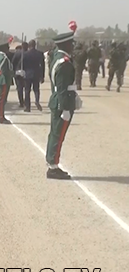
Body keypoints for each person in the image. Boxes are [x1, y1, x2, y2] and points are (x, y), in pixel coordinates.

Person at [45, 24, 81, 180]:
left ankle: (51, 162)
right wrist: (65, 107)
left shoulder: (58, 58)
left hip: (58, 101)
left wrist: (75, 95)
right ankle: (53, 167)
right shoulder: (64, 62)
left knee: (54, 133)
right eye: (71, 44)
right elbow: (62, 88)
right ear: (66, 44)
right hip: (61, 103)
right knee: (58, 135)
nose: (73, 46)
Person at [21, 40, 45, 112]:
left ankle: (27, 107)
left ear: (29, 45)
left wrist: (23, 73)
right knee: (36, 89)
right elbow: (42, 65)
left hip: (28, 74)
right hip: (36, 73)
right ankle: (37, 101)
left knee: (27, 90)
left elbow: (23, 64)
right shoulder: (40, 53)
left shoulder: (25, 54)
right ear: (35, 45)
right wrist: (42, 76)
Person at [0, 38, 14, 124]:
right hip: (4, 80)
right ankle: (1, 117)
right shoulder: (4, 57)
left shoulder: (0, 56)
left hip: (2, 79)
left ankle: (0, 116)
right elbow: (5, 70)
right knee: (2, 100)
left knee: (1, 99)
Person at [12, 42, 28, 108]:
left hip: (18, 72)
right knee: (26, 88)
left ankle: (21, 102)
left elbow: (13, 62)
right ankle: (26, 102)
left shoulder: (17, 53)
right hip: (25, 72)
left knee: (19, 88)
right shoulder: (27, 53)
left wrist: (15, 70)